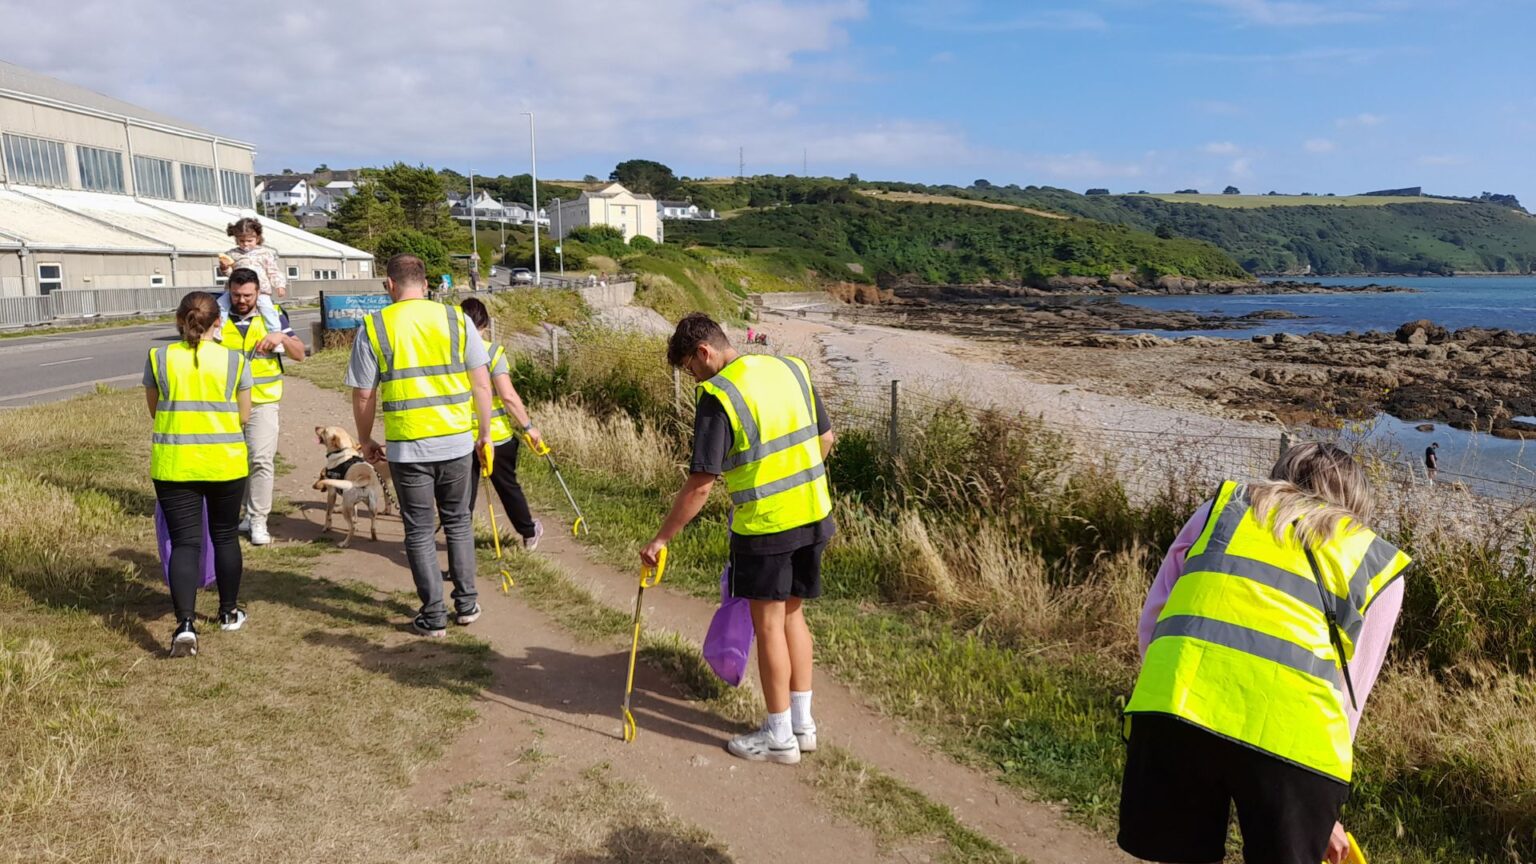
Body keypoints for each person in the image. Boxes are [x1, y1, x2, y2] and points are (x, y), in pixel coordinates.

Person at [1119, 443, 1412, 864]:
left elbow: (1154, 621)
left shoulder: (1218, 512)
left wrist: (1165, 693)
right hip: (1294, 744)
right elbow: (1350, 695)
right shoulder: (1373, 560)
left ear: (1281, 474)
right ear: (1358, 506)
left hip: (1176, 706)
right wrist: (1320, 810)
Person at [642, 313, 835, 765]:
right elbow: (826, 439)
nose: (693, 377)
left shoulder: (718, 395)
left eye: (690, 367)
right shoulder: (791, 368)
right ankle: (803, 726)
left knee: (768, 627)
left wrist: (660, 539)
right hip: (813, 513)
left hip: (766, 526)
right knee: (793, 616)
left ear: (704, 352)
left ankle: (779, 737)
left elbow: (701, 485)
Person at [346, 254, 493, 637]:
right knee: (458, 522)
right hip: (456, 442)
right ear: (426, 284)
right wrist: (484, 434)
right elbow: (481, 383)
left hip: (408, 447)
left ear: (390, 285)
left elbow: (364, 394)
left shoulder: (374, 327)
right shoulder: (458, 320)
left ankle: (433, 615)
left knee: (419, 530)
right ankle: (467, 603)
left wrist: (365, 439)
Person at [144, 291, 253, 657]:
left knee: (185, 543)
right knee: (224, 537)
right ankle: (228, 612)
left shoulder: (159, 357)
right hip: (225, 462)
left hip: (175, 464)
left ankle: (185, 624)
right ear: (218, 323)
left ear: (179, 321)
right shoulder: (235, 360)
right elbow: (245, 415)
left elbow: (155, 410)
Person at [222, 269, 306, 546]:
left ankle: (258, 519)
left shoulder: (274, 315)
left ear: (259, 292)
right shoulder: (217, 316)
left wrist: (281, 338)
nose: (241, 300)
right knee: (235, 463)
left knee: (260, 459)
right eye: (236, 295)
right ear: (228, 290)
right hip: (225, 403)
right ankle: (243, 513)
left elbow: (300, 354)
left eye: (248, 295)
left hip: (263, 401)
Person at [459, 297, 545, 550]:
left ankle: (459, 542)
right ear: (484, 324)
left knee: (463, 494)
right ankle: (528, 532)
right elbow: (508, 396)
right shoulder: (493, 352)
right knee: (508, 487)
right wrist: (528, 427)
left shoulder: (450, 353)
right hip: (496, 436)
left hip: (459, 435)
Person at [215, 218, 286, 337]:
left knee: (268, 309)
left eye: (249, 241)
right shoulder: (232, 254)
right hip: (236, 290)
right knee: (220, 304)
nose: (246, 244)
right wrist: (225, 268)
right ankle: (218, 329)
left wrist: (279, 285)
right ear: (236, 239)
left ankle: (275, 332)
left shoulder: (265, 253)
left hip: (261, 290)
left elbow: (273, 271)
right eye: (241, 241)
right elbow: (230, 274)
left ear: (257, 238)